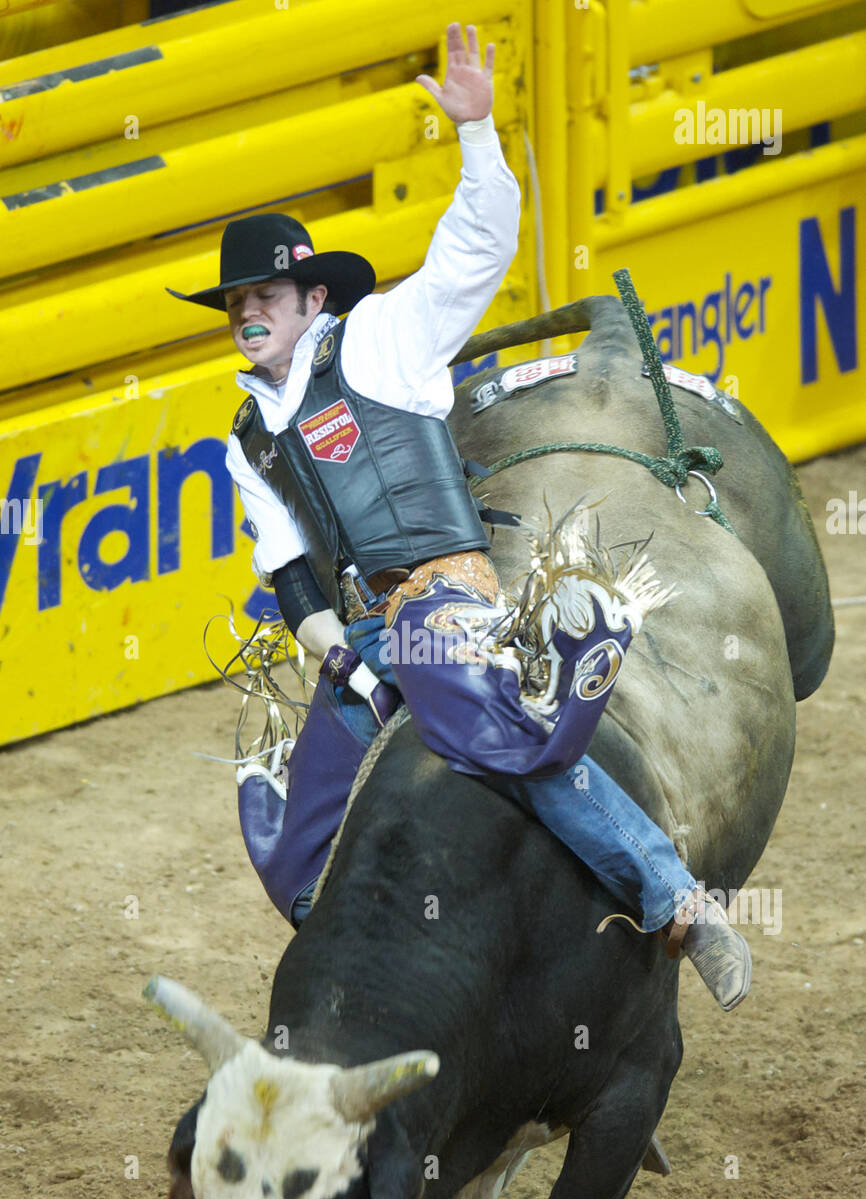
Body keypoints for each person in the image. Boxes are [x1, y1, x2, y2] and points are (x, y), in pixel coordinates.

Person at [166, 23, 750, 1011]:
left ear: (314, 296)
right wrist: (338, 654)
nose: (246, 311)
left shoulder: (385, 340)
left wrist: (477, 136)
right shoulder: (246, 433)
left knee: (496, 740)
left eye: (262, 292)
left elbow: (476, 243)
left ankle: (676, 903)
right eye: (234, 301)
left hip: (445, 602)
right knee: (297, 851)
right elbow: (288, 569)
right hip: (364, 634)